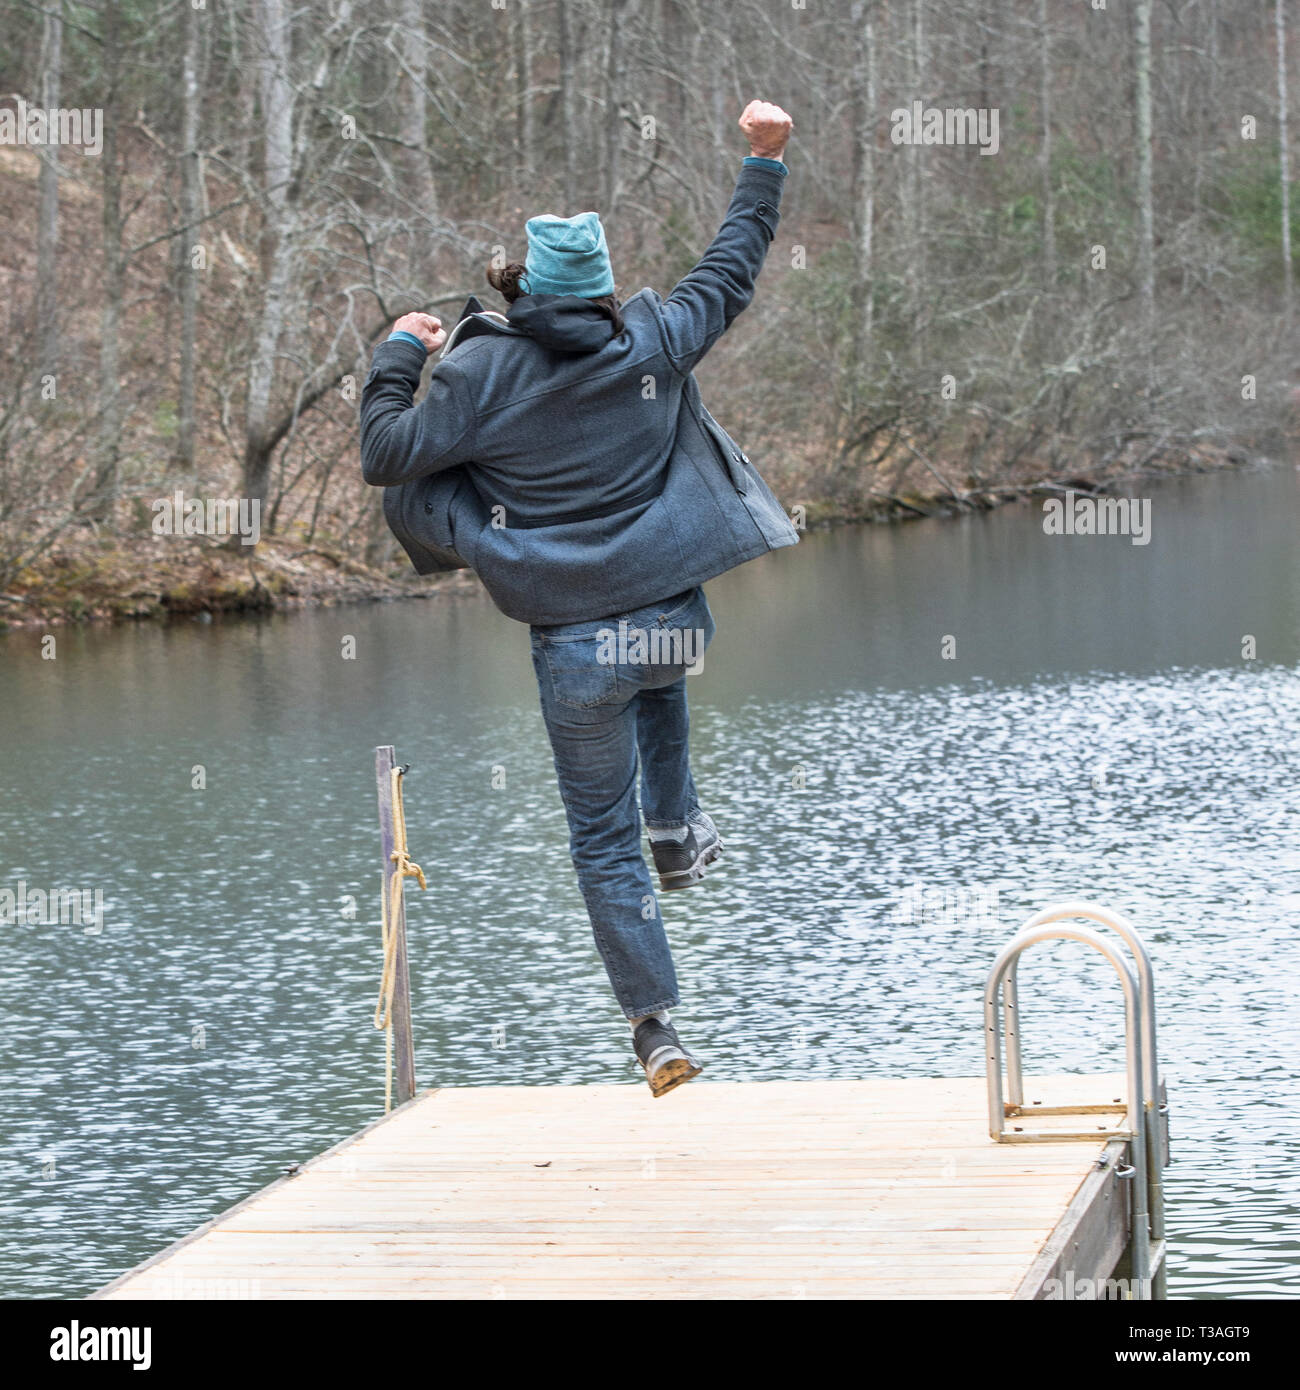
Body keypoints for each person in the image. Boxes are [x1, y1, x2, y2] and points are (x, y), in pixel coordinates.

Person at [360, 101, 797, 1097]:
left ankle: (654, 1030)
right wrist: (761, 161)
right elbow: (731, 265)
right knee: (662, 648)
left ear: (524, 293)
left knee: (601, 841)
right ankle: (678, 824)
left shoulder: (479, 372)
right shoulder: (652, 342)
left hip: (573, 648)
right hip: (668, 625)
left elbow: (386, 456)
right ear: (601, 290)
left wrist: (399, 352)